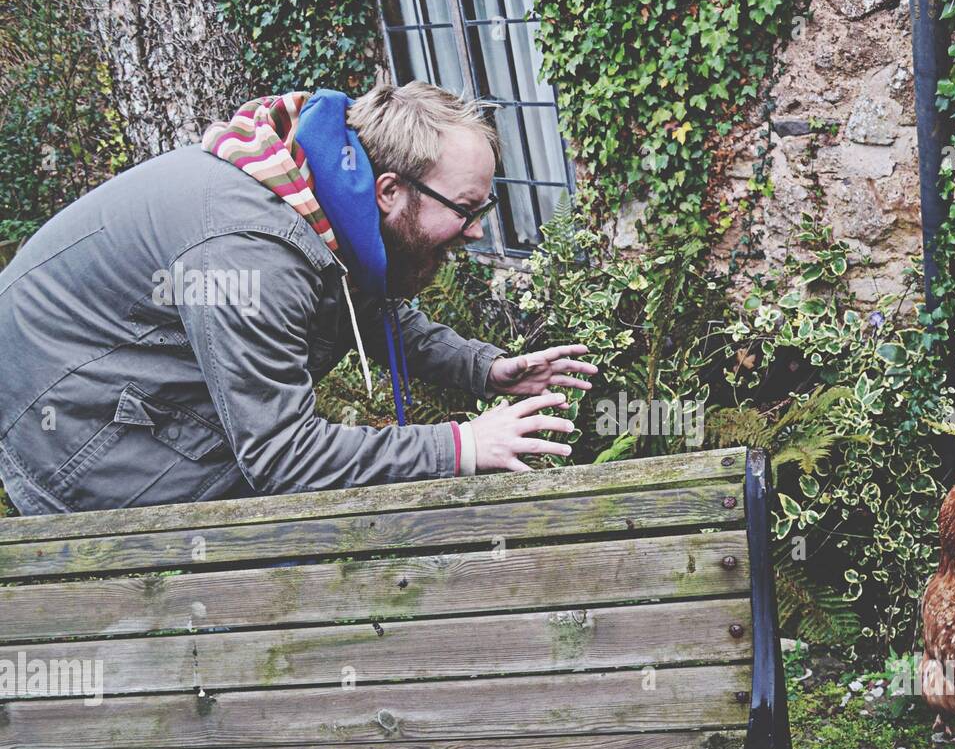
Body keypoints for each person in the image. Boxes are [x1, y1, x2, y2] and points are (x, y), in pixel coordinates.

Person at [0, 82, 596, 515]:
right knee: (251, 582)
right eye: (467, 210)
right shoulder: (254, 255)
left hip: (112, 398)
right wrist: (462, 446)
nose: (476, 231)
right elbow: (283, 457)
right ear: (390, 190)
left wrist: (483, 369)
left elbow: (360, 306)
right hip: (78, 438)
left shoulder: (310, 191)